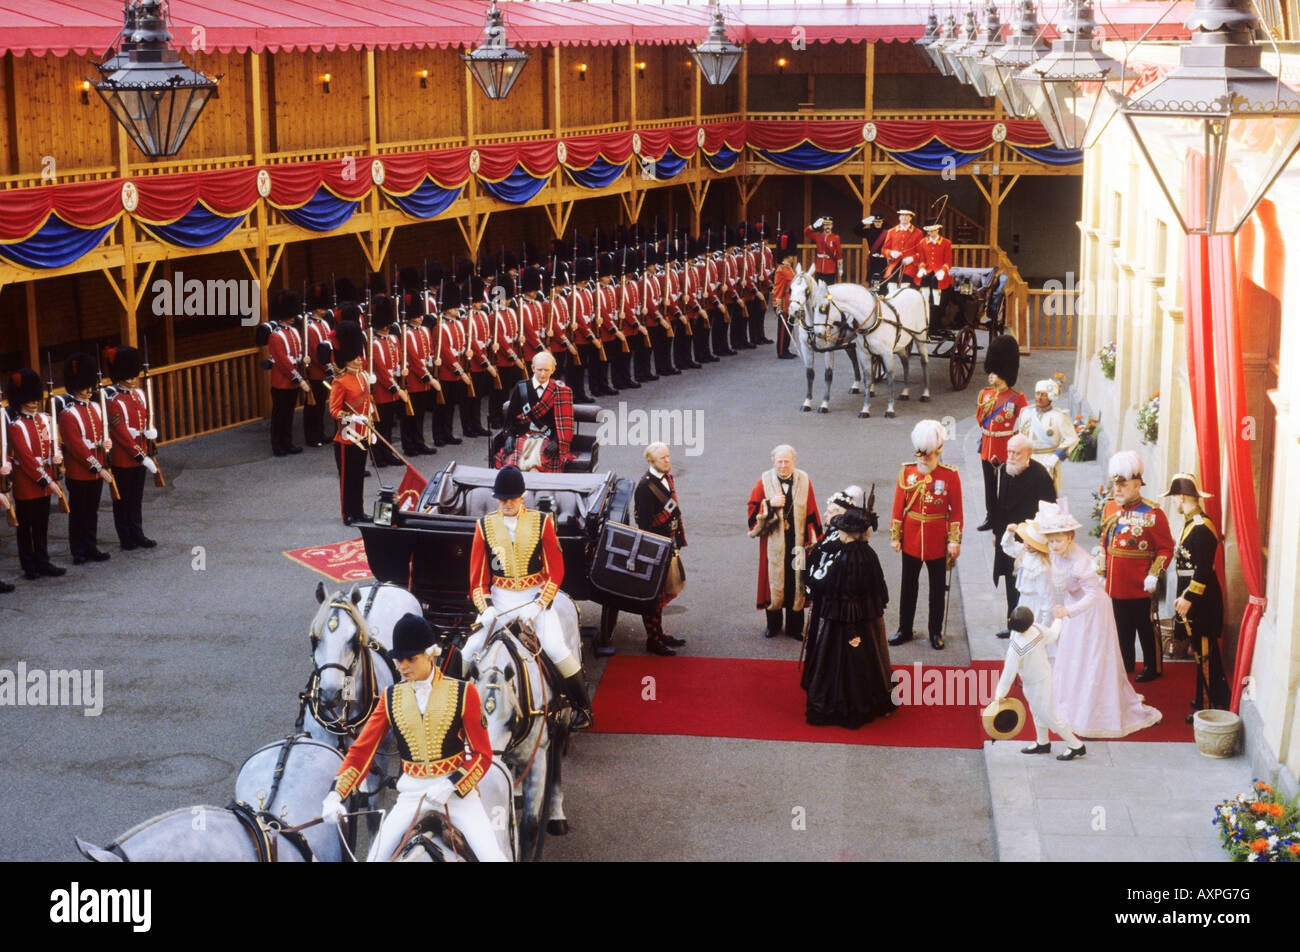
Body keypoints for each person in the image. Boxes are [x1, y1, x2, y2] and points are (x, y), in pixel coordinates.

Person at [320, 612, 505, 862]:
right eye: (398, 660)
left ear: (431, 654)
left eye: (410, 659)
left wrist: (452, 784)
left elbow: (483, 755)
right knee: (373, 859)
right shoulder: (390, 697)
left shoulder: (464, 692)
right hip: (411, 795)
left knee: (494, 858)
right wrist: (336, 794)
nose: (402, 667)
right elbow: (362, 750)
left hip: (457, 797)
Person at [464, 465, 593, 728]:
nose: (506, 504)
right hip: (499, 601)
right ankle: (454, 711)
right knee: (469, 650)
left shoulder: (541, 522)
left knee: (556, 647)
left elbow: (555, 571)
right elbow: (477, 579)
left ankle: (584, 707)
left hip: (534, 598)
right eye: (502, 499)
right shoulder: (484, 526)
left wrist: (539, 604)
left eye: (511, 498)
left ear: (522, 497)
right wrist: (485, 608)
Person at [1039, 499, 1162, 738]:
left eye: (1059, 540)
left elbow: (1094, 595)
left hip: (1092, 612)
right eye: (1050, 540)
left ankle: (1090, 710)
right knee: (1072, 655)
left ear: (1070, 537)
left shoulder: (1081, 562)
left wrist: (1069, 612)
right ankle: (1071, 701)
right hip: (1074, 607)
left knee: (1090, 658)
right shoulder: (1056, 554)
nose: (1054, 545)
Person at [801, 486, 895, 728]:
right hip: (868, 618)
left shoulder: (844, 558)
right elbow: (879, 589)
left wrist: (809, 578)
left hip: (842, 619)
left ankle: (841, 702)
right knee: (869, 656)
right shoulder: (870, 554)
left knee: (839, 660)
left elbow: (827, 584)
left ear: (847, 532)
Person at [1102, 450, 1174, 681]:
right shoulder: (1110, 509)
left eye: (1123, 485)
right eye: (1116, 485)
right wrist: (1102, 566)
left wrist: (1155, 574)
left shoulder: (1153, 514)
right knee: (1121, 628)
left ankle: (1153, 667)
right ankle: (1126, 663)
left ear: (1136, 485)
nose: (1117, 490)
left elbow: (1165, 548)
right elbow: (1106, 541)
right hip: (1116, 584)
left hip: (1140, 584)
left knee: (1145, 628)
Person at [889, 420, 962, 650]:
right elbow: (897, 506)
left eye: (928, 455)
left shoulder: (949, 475)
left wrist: (954, 540)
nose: (923, 459)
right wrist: (895, 535)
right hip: (911, 538)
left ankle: (935, 632)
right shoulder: (907, 472)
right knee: (908, 586)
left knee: (937, 590)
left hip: (937, 540)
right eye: (920, 455)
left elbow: (957, 511)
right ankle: (905, 628)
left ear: (937, 452)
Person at [1164, 472, 1230, 721]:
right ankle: (1208, 696)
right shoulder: (1193, 521)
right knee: (1200, 651)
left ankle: (1206, 704)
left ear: (1181, 496)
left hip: (1202, 601)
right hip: (1193, 597)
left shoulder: (1201, 527)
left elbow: (1202, 569)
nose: (1173, 502)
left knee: (1204, 652)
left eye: (1174, 497)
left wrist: (1188, 598)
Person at [747, 444, 822, 640]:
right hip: (773, 542)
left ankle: (795, 628)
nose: (783, 466)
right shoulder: (764, 480)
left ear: (793, 462)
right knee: (774, 582)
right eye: (779, 462)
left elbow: (812, 510)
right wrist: (769, 505)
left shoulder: (804, 480)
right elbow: (752, 510)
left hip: (798, 541)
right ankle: (773, 625)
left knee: (796, 582)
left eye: (786, 462)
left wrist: (816, 542)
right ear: (773, 462)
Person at [993, 606, 1086, 760]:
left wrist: (999, 696)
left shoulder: (1016, 647)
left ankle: (1076, 745)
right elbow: (1054, 635)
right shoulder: (1037, 628)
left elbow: (1008, 674)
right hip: (1041, 676)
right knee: (1037, 711)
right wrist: (1058, 618)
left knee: (1048, 716)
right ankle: (1043, 742)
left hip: (1035, 682)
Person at [988, 434, 1056, 637]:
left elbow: (1049, 511)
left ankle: (1030, 627)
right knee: (1011, 583)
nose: (1010, 456)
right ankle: (1012, 624)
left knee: (1029, 589)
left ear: (1028, 454)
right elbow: (1001, 505)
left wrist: (1039, 540)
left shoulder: (1041, 476)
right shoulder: (1005, 470)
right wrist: (997, 532)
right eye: (1009, 451)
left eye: (1016, 453)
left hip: (1030, 542)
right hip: (1009, 538)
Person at [6, 369, 68, 579]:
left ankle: (43, 561)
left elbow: (53, 444)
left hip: (47, 476)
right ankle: (28, 565)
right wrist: (47, 480)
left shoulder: (45, 419)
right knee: (26, 527)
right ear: (19, 400)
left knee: (42, 524)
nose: (34, 403)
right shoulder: (16, 426)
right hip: (27, 482)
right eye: (28, 399)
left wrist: (57, 456)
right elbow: (26, 459)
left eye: (35, 398)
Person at [58, 353, 114, 565]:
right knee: (79, 512)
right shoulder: (67, 414)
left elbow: (98, 436)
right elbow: (77, 448)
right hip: (80, 471)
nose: (89, 389)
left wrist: (106, 443)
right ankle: (78, 550)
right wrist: (98, 467)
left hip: (97, 467)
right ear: (74, 386)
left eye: (90, 385)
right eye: (84, 386)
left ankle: (91, 546)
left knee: (92, 511)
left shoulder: (96, 408)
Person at [634, 442, 687, 657]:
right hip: (654, 548)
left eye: (668, 456)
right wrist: (667, 516)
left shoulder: (668, 477)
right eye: (663, 458)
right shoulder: (644, 488)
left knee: (662, 592)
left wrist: (678, 540)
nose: (668, 460)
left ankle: (659, 633)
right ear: (651, 462)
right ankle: (653, 640)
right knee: (653, 596)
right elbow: (644, 525)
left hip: (668, 542)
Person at [105, 346, 158, 550]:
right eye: (127, 376)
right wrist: (140, 455)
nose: (131, 380)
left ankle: (137, 532)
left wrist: (151, 434)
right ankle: (125, 536)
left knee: (136, 498)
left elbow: (146, 419)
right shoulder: (114, 401)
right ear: (119, 377)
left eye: (132, 376)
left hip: (142, 451)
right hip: (124, 457)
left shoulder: (140, 395)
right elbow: (121, 433)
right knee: (123, 499)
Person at [975, 334, 1027, 530]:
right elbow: (980, 419)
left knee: (1006, 484)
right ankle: (991, 516)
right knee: (989, 484)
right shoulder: (985, 395)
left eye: (995, 372)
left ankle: (1004, 517)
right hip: (988, 445)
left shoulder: (1017, 398)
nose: (991, 375)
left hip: (1006, 445)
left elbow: (1023, 423)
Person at [326, 321, 373, 527]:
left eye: (359, 356)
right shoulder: (340, 381)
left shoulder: (363, 376)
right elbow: (334, 410)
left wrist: (370, 427)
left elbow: (367, 405)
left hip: (362, 433)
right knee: (348, 478)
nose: (359, 359)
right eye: (355, 357)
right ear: (347, 360)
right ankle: (348, 513)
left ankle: (359, 510)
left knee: (359, 477)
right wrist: (352, 418)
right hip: (346, 435)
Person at [494, 351, 574, 473]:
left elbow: (565, 425)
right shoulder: (521, 387)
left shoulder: (562, 391)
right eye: (539, 370)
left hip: (547, 438)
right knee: (512, 466)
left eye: (547, 370)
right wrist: (509, 436)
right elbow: (510, 419)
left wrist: (556, 442)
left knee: (535, 467)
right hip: (522, 435)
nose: (543, 374)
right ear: (532, 368)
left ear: (553, 370)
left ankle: (533, 491)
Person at [1014, 376, 1078, 495]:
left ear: (1050, 397)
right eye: (1038, 394)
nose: (1039, 397)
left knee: (1046, 496)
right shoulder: (1026, 413)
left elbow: (1072, 438)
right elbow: (1021, 436)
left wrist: (1056, 456)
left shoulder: (1059, 416)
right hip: (1028, 459)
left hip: (1047, 460)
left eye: (1043, 395)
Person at [265, 289, 309, 456]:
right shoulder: (275, 336)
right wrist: (299, 380)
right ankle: (278, 445)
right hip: (281, 382)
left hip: (292, 382)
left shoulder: (294, 332)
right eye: (290, 314)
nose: (293, 317)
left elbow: (295, 355)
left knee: (289, 414)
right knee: (279, 416)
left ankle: (287, 442)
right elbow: (283, 363)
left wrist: (304, 359)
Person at [1000, 517, 1055, 628]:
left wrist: (1045, 624)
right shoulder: (1023, 551)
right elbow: (1007, 546)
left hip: (1035, 603)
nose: (1028, 545)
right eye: (1027, 540)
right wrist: (1009, 532)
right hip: (1023, 599)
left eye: (1032, 543)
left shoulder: (1041, 567)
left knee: (1031, 629)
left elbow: (1046, 596)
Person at [916, 218, 953, 329]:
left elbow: (948, 262)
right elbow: (921, 260)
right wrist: (922, 268)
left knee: (936, 284)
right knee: (925, 281)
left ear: (938, 230)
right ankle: (925, 309)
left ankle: (936, 317)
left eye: (934, 230)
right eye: (929, 231)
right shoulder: (923, 242)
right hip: (928, 272)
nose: (931, 233)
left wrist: (943, 270)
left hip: (941, 274)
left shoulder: (946, 243)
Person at [881, 207, 925, 288]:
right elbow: (884, 250)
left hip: (910, 267)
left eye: (907, 215)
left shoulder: (918, 233)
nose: (904, 218)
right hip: (894, 266)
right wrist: (891, 253)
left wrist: (912, 258)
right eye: (902, 215)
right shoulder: (891, 232)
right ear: (899, 217)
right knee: (891, 287)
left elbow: (922, 253)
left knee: (905, 290)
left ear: (911, 218)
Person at [772, 248, 799, 360]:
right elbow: (778, 289)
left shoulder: (788, 268)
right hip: (784, 303)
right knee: (783, 329)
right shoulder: (781, 269)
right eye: (791, 255)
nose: (793, 258)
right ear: (787, 256)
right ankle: (782, 351)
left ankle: (786, 349)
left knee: (789, 326)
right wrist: (777, 305)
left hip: (790, 302)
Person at [803, 216, 842, 285]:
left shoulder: (836, 238)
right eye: (826, 225)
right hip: (819, 268)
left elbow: (839, 254)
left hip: (830, 269)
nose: (827, 227)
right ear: (823, 226)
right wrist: (814, 226)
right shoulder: (818, 236)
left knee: (830, 290)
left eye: (829, 225)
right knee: (818, 289)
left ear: (832, 226)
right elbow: (806, 232)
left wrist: (840, 268)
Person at [852, 214, 888, 283]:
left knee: (883, 282)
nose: (877, 223)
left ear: (882, 222)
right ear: (873, 222)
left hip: (883, 260)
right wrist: (863, 223)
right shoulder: (869, 231)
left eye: (879, 221)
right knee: (872, 281)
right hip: (873, 260)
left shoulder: (887, 232)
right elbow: (855, 231)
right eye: (876, 221)